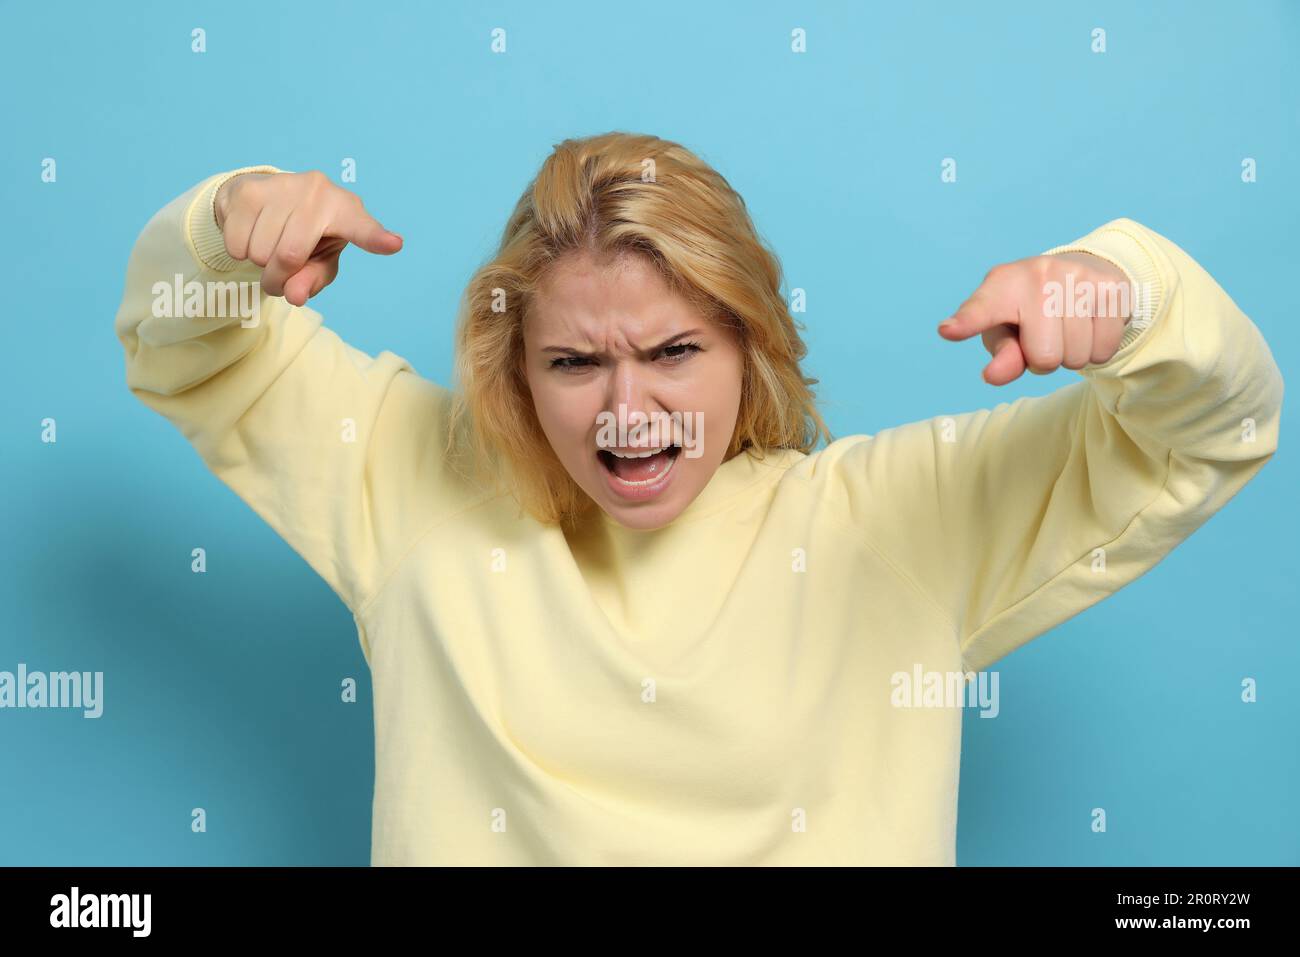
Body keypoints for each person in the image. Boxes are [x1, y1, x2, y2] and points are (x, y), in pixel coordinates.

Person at [115, 131, 1283, 865]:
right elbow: (187, 351)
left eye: (674, 352)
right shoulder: (415, 480)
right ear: (514, 371)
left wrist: (1132, 295)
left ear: (751, 347)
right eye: (575, 365)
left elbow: (1211, 432)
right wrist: (224, 228)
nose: (628, 413)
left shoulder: (890, 524)